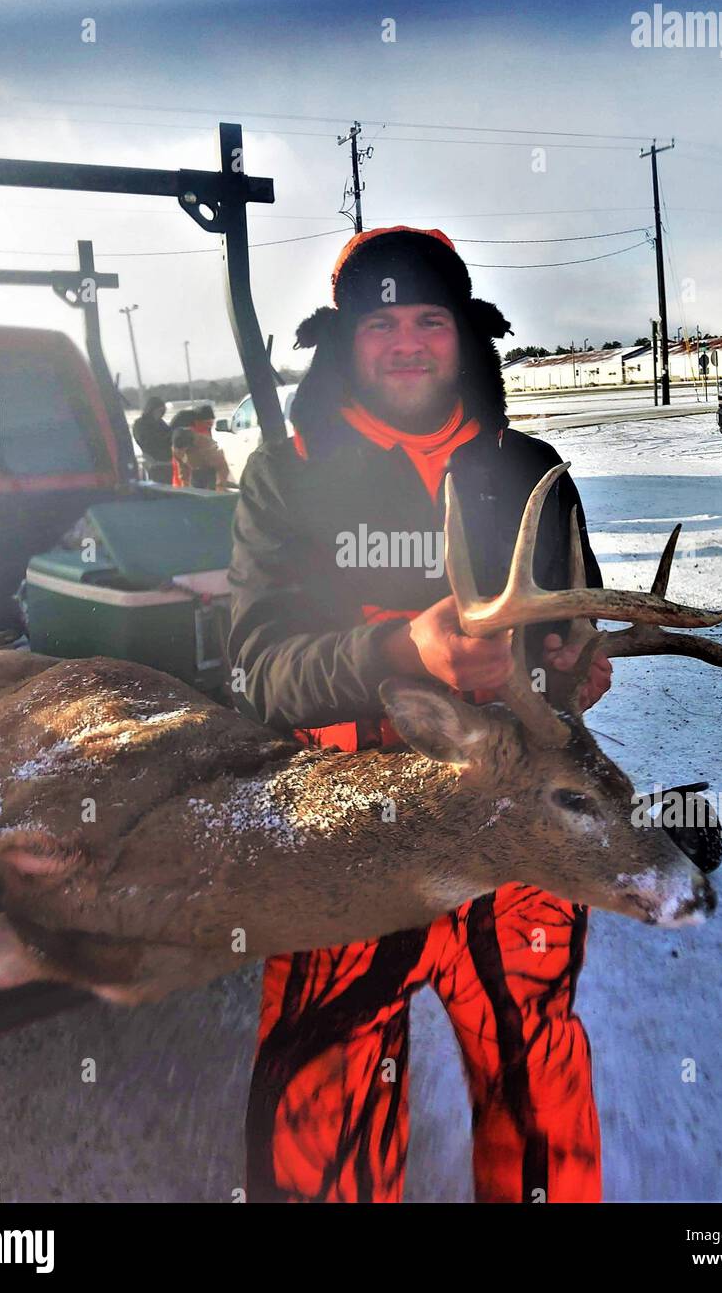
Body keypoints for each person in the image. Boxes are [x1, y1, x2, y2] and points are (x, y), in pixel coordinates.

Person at [226, 226, 612, 1204]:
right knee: (329, 1100)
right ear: (346, 343)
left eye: (428, 320)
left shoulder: (529, 465)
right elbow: (264, 666)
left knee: (533, 1066)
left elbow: (575, 615)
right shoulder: (288, 472)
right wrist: (405, 651)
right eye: (381, 322)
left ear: (464, 336)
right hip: (343, 837)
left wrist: (578, 661)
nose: (405, 342)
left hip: (517, 827)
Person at [170, 425, 231, 491]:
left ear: (189, 445)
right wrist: (185, 483)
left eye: (182, 449)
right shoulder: (176, 449)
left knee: (210, 493)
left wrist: (220, 485)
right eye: (178, 449)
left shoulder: (206, 446)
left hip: (211, 471)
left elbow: (222, 467)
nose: (180, 452)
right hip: (195, 472)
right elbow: (182, 465)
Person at [131, 395, 172, 483]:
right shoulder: (141, 424)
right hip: (154, 462)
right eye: (158, 411)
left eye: (162, 411)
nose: (160, 414)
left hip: (167, 461)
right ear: (151, 410)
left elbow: (169, 434)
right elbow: (146, 442)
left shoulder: (160, 423)